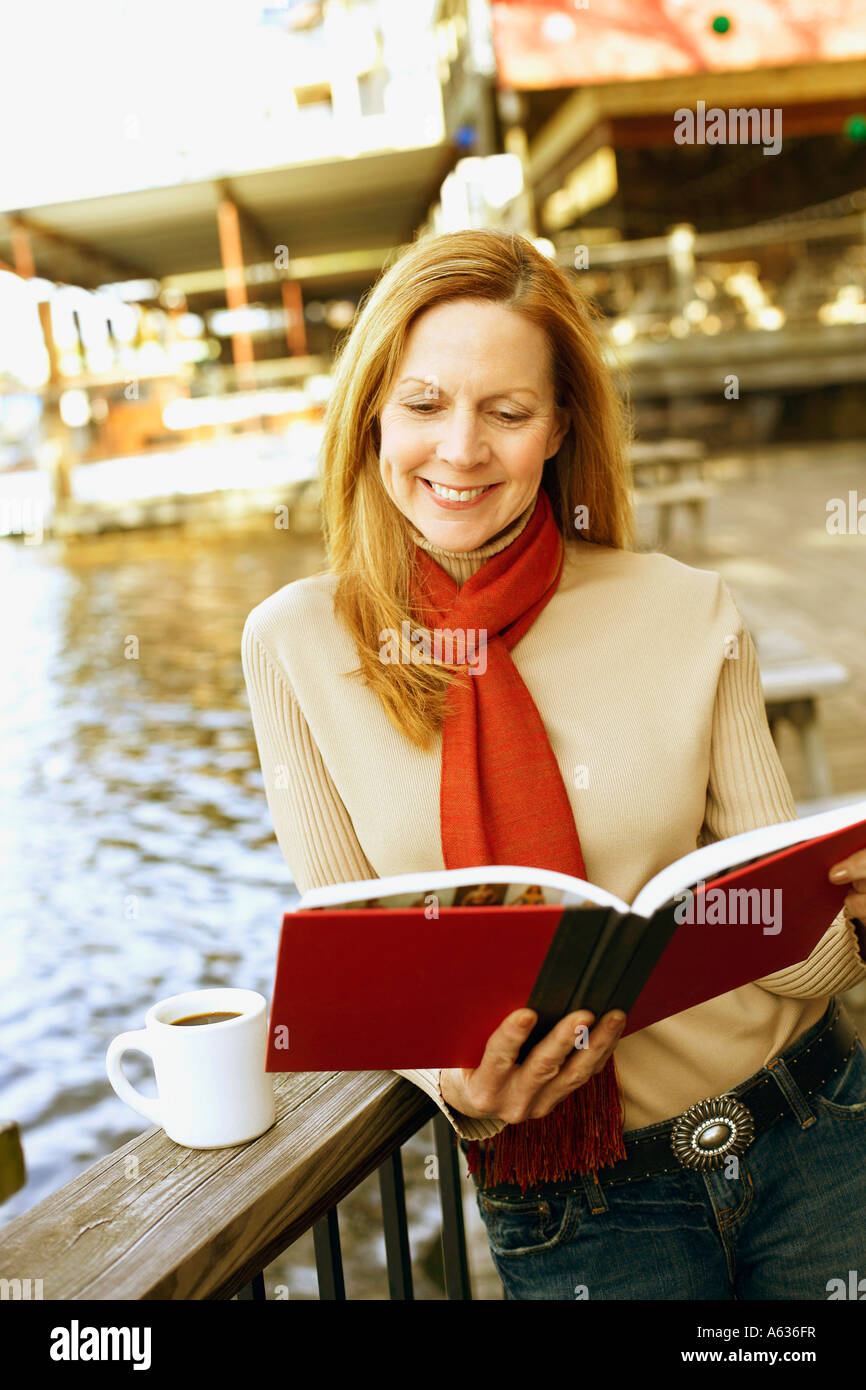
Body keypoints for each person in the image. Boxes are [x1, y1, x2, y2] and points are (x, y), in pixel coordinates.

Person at [241, 228, 866, 1300]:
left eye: (506, 411)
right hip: (575, 1206)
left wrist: (848, 919)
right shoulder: (293, 643)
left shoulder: (683, 606)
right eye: (426, 403)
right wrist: (457, 1086)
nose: (460, 449)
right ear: (372, 413)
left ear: (557, 428)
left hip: (806, 1129)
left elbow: (792, 961)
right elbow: (362, 964)